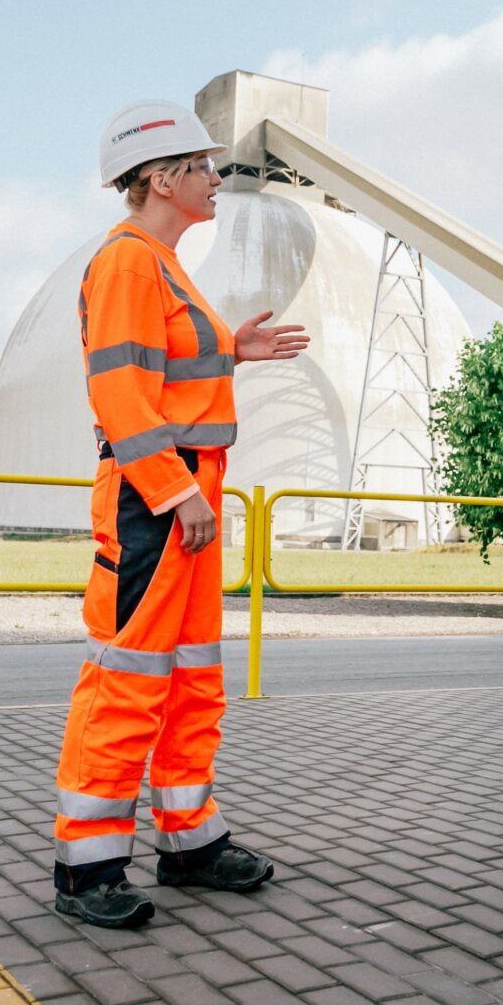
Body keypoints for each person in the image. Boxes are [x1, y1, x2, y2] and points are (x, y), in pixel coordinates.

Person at [52, 99, 310, 929]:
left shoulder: (159, 262)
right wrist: (174, 491)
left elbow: (162, 365)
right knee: (127, 679)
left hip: (182, 495)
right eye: (202, 166)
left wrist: (232, 348)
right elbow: (120, 390)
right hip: (154, 500)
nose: (214, 178)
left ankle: (189, 839)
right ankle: (88, 866)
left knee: (191, 676)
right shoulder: (129, 262)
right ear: (161, 179)